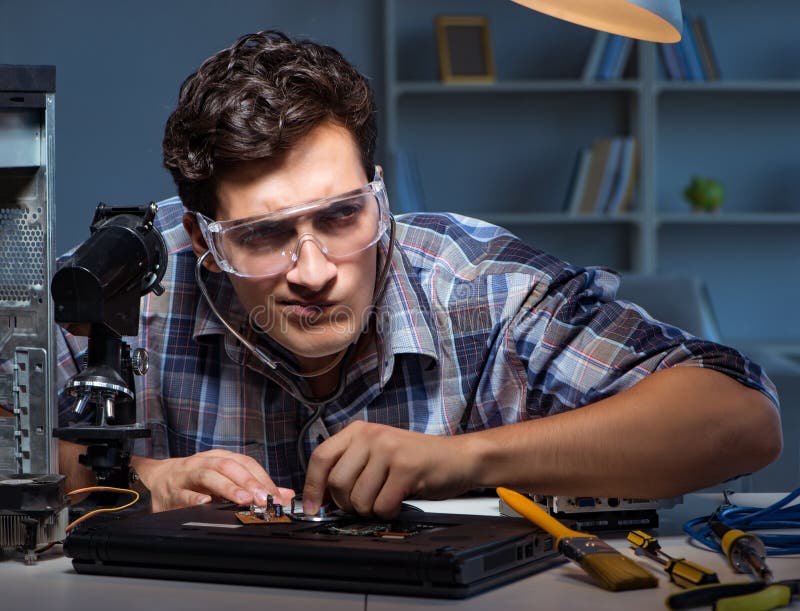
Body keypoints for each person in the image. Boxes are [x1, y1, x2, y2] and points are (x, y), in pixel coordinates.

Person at [57, 30, 781, 518]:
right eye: (264, 234)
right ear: (203, 239)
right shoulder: (129, 277)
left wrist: (464, 459)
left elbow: (743, 420)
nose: (314, 272)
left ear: (378, 193)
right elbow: (14, 434)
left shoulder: (481, 285)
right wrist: (140, 480)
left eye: (342, 216)